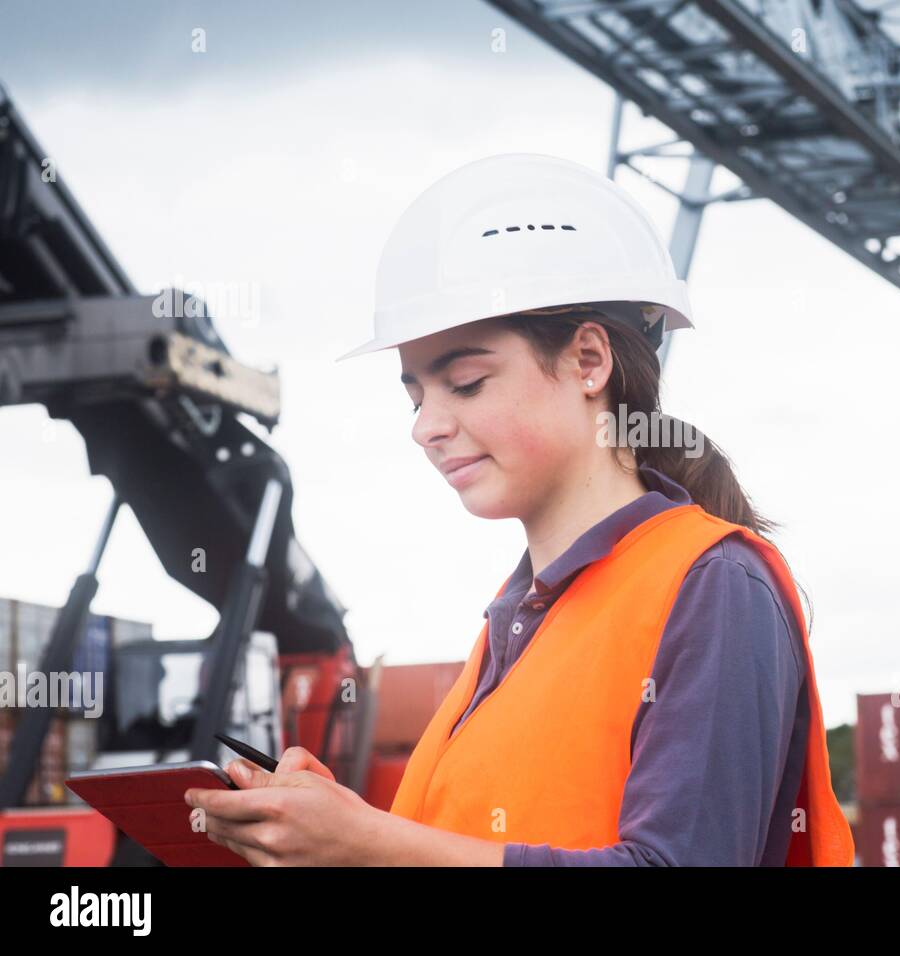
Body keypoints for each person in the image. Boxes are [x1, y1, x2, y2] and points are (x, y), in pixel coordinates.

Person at [184, 153, 853, 866]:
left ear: (589, 361)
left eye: (465, 383)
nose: (426, 426)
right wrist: (338, 837)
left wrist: (371, 842)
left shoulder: (714, 586)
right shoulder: (512, 626)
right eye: (415, 397)